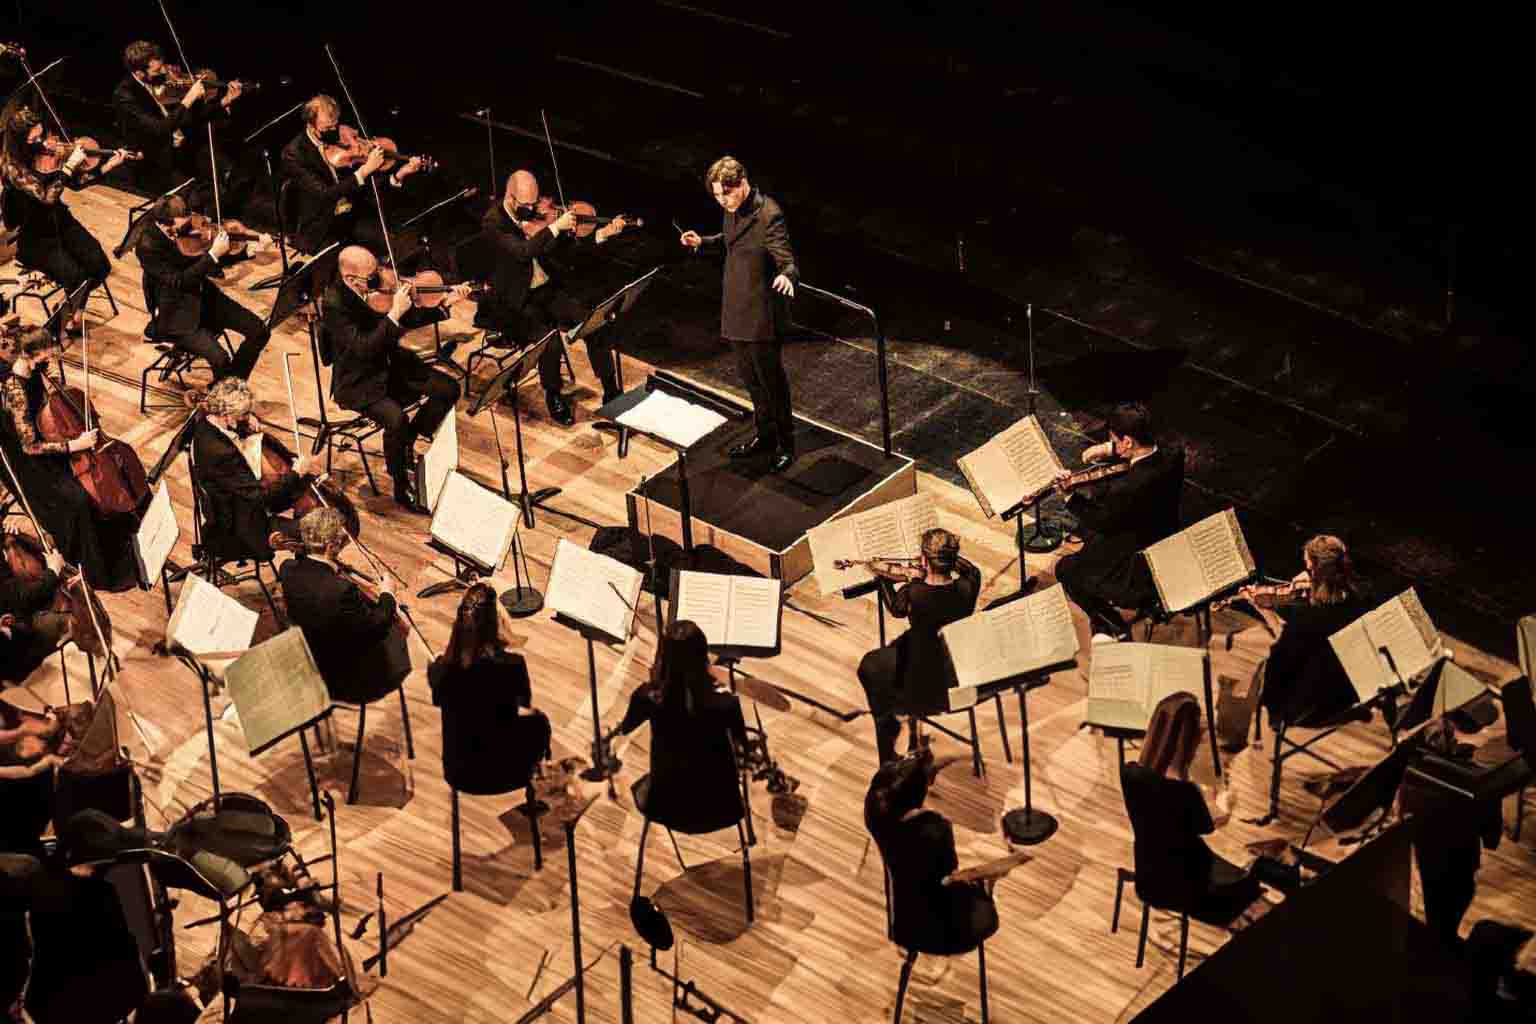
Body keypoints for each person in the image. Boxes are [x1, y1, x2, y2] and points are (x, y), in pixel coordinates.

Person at [475, 169, 632, 426]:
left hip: (546, 292)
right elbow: (523, 252)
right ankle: (553, 394)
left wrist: (602, 235)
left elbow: (567, 250)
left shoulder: (538, 218)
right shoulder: (493, 223)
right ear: (510, 197)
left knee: (595, 323)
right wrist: (554, 228)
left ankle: (611, 390)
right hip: (513, 302)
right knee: (550, 342)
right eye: (525, 205)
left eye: (534, 203)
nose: (533, 209)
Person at [680, 156, 799, 472]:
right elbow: (730, 243)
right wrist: (702, 242)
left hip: (760, 315)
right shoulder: (730, 209)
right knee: (751, 380)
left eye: (726, 194)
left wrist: (787, 275)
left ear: (743, 183)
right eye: (717, 196)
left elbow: (787, 260)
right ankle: (765, 436)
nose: (722, 201)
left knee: (771, 383)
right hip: (735, 307)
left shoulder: (769, 214)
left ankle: (786, 445)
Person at [324, 245, 466, 509]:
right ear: (350, 279)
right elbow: (364, 348)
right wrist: (393, 315)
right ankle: (401, 484)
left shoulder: (376, 290)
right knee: (396, 419)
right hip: (359, 380)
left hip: (391, 363)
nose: (380, 278)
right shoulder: (335, 304)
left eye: (377, 269)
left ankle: (409, 440)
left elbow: (407, 319)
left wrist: (443, 305)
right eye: (372, 276)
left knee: (448, 389)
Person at [0, 328, 140, 591]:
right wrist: (75, 445)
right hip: (29, 463)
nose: (51, 358)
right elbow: (29, 447)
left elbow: (46, 415)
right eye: (46, 355)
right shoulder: (15, 390)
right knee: (78, 501)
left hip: (50, 444)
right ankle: (91, 569)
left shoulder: (33, 371)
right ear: (30, 356)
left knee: (92, 489)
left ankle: (118, 541)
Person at [1119, 692, 1262, 926]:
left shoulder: (1130, 773)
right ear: (1188, 742)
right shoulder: (1183, 792)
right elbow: (1208, 829)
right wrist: (1227, 808)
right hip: (1190, 888)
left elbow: (1170, 818)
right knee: (1257, 870)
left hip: (1149, 878)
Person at [1046, 402, 1184, 631]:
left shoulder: (1127, 488)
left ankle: (1106, 621)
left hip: (1135, 562)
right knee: (1089, 542)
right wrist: (1109, 449)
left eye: (1115, 440)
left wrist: (1070, 496)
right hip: (1165, 537)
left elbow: (1102, 522)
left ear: (1128, 441)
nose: (1114, 444)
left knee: (1066, 569)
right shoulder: (1173, 455)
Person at [856, 528, 982, 765]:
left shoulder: (914, 592)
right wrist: (943, 559)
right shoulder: (969, 586)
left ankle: (888, 750)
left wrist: (883, 576)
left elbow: (895, 608)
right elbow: (970, 569)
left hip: (922, 677)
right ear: (952, 559)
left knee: (870, 668)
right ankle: (904, 729)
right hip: (956, 666)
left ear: (924, 560)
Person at [609, 621, 748, 834]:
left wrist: (654, 683)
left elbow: (626, 727)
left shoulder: (648, 697)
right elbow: (742, 748)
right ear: (704, 657)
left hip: (666, 803)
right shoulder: (726, 702)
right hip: (720, 806)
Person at [0, 102, 128, 334]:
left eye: (42, 135)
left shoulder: (46, 154)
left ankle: (73, 311)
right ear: (20, 141)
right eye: (34, 139)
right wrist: (67, 167)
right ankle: (57, 326)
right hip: (36, 236)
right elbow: (46, 196)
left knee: (99, 264)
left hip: (61, 220)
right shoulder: (13, 167)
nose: (43, 143)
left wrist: (108, 165)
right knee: (76, 276)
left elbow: (75, 184)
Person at [864, 746, 1000, 956]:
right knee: (988, 907)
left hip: (902, 923)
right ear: (919, 793)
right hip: (944, 932)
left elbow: (904, 782)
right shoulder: (934, 829)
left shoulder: (875, 811)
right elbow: (952, 876)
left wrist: (950, 757)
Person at [277, 507, 408, 705]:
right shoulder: (341, 591)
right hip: (342, 680)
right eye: (341, 538)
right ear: (330, 547)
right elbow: (374, 628)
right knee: (397, 637)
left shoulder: (287, 570)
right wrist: (387, 594)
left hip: (306, 660)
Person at [135, 193, 272, 381]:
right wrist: (213, 255)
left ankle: (231, 386)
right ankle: (225, 393)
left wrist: (247, 252)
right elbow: (179, 281)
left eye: (188, 222)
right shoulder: (148, 246)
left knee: (259, 331)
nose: (189, 229)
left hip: (204, 297)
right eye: (181, 226)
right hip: (177, 314)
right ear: (164, 223)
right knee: (221, 359)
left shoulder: (191, 228)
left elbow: (211, 256)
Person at [428, 583, 550, 791]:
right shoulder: (513, 665)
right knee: (539, 721)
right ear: (495, 624)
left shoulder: (442, 669)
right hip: (509, 773)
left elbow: (439, 699)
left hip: (460, 774)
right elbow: (525, 703)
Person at [1245, 534, 1373, 729]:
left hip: (1312, 703)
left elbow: (1282, 651)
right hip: (1350, 687)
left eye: (1307, 566)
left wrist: (1263, 609)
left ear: (1314, 568)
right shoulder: (1362, 596)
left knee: (1268, 666)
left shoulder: (1308, 616)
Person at [1399, 717, 1505, 949]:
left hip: (1439, 856)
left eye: (1444, 733)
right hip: (1451, 857)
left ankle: (1439, 947)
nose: (1445, 738)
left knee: (1443, 907)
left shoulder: (1412, 773)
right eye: (1437, 735)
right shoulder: (1478, 775)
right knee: (1449, 905)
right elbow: (1491, 835)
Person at [280, 94, 425, 258]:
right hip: (322, 225)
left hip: (352, 216)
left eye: (335, 125)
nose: (334, 132)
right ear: (311, 126)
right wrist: (364, 170)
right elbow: (324, 194)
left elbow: (367, 187)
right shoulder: (293, 154)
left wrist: (399, 174)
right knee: (349, 264)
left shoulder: (341, 136)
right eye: (327, 129)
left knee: (403, 246)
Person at [190, 378, 317, 561]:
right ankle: (302, 574)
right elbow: (260, 497)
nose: (246, 417)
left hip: (238, 494)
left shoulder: (209, 419)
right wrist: (296, 473)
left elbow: (231, 419)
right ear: (227, 414)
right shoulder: (219, 453)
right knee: (311, 532)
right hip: (239, 522)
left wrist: (248, 418)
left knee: (292, 490)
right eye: (243, 413)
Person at [111, 40, 247, 209]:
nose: (163, 72)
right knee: (185, 204)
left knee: (211, 191)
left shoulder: (161, 86)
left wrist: (224, 101)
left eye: (162, 66)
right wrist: (188, 98)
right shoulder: (125, 95)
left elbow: (188, 119)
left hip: (179, 155)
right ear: (139, 73)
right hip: (152, 163)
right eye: (156, 70)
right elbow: (160, 129)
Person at [0, 521, 72, 683]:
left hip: (11, 613)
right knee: (69, 624)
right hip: (13, 659)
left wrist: (11, 536)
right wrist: (53, 571)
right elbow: (23, 598)